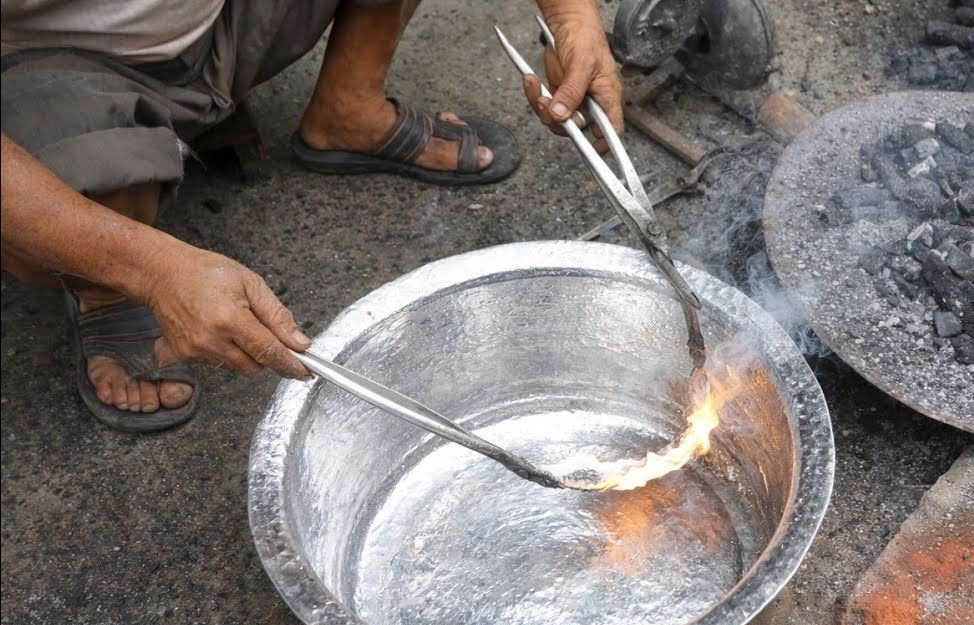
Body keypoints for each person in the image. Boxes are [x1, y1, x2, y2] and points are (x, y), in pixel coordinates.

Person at [0, 0, 623, 431]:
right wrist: (151, 270)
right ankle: (107, 292)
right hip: (54, 63)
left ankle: (349, 107)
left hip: (223, 23)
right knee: (94, 216)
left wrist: (570, 17)